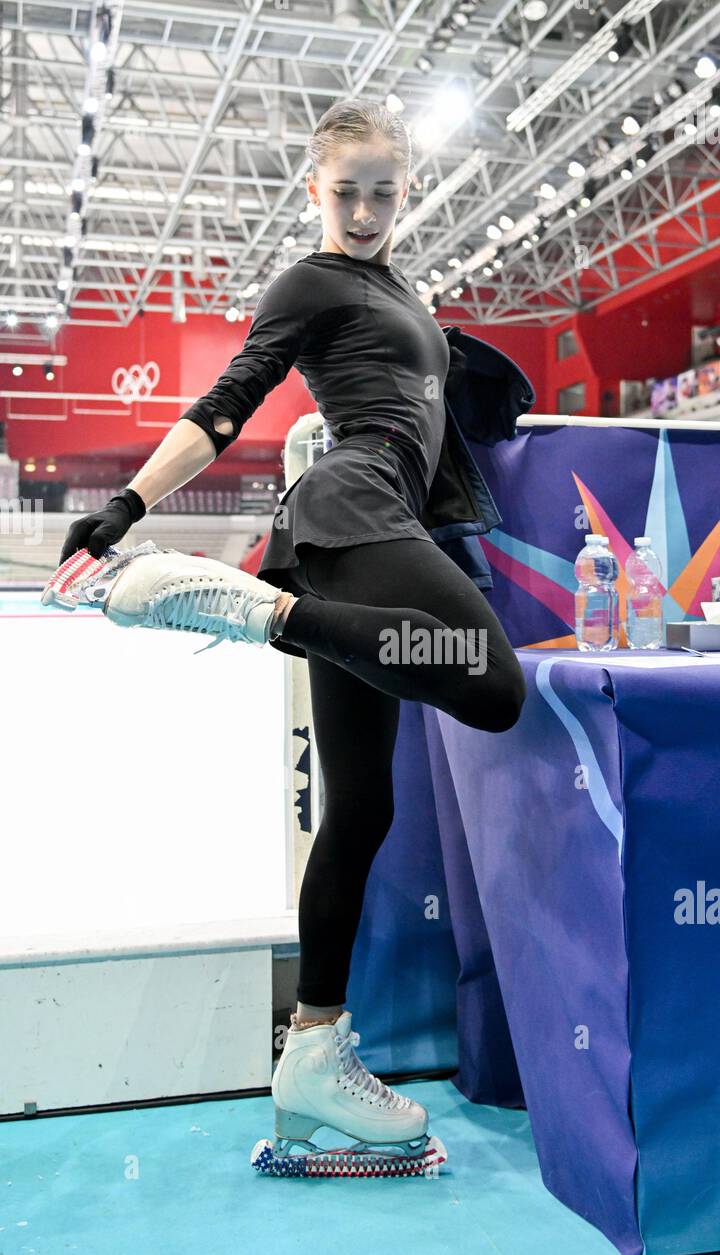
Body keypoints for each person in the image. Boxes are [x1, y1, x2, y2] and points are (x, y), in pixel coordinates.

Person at [52, 98, 528, 1178]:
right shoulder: (315, 282)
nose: (362, 209)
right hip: (353, 516)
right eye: (343, 189)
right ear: (313, 191)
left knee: (361, 805)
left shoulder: (399, 293)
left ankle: (314, 1048)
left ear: (407, 192)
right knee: (489, 685)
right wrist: (125, 508)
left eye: (382, 190)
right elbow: (230, 402)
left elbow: (441, 416)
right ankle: (253, 607)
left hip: (363, 524)